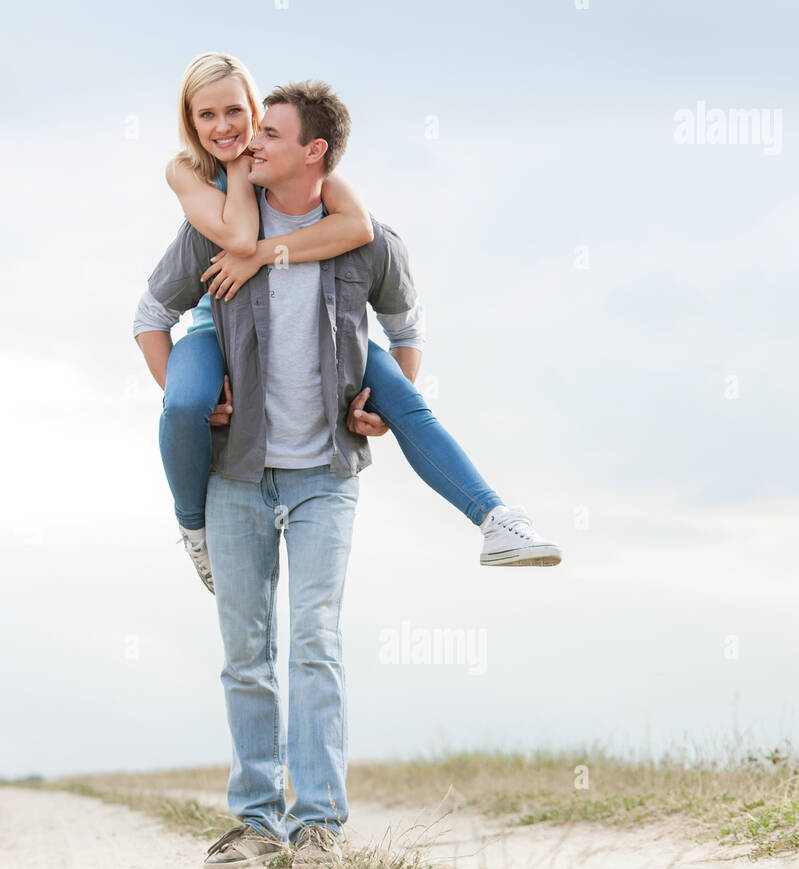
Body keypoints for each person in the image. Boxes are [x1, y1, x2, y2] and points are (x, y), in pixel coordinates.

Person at [141, 54, 561, 593]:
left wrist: (264, 250)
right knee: (182, 402)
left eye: (236, 113)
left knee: (408, 403)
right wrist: (244, 194)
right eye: (206, 116)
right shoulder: (189, 170)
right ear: (190, 120)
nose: (223, 127)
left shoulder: (282, 164)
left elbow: (357, 228)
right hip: (215, 327)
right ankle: (193, 528)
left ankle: (495, 519)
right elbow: (236, 242)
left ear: (253, 111)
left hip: (328, 333)